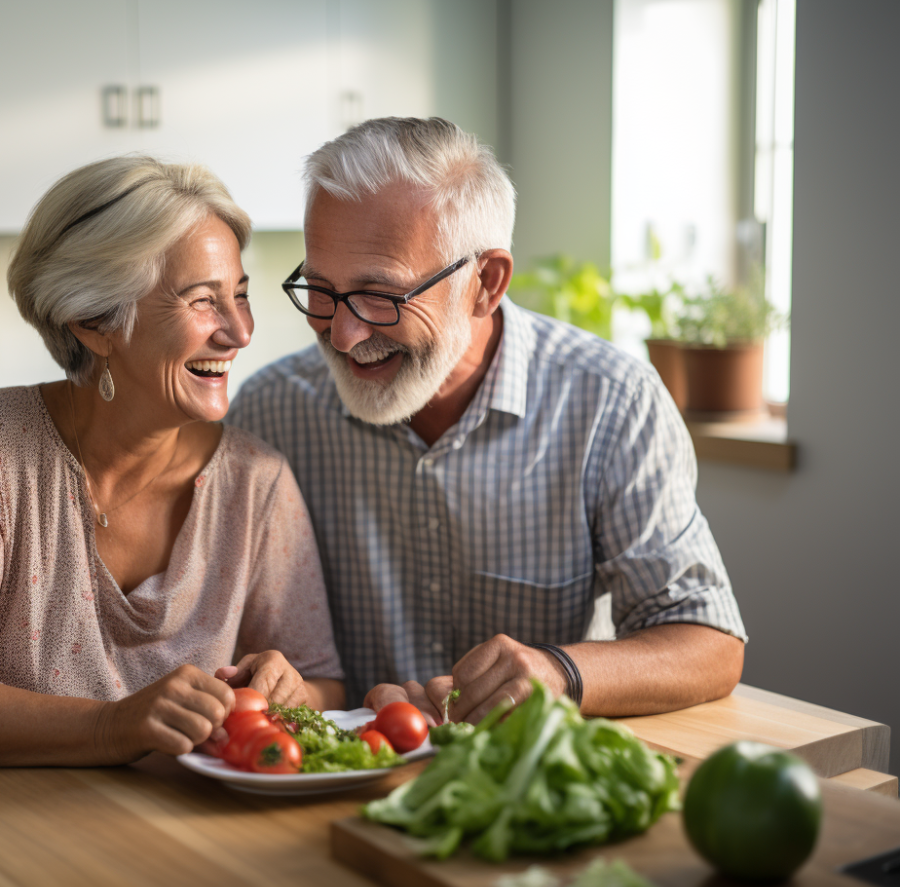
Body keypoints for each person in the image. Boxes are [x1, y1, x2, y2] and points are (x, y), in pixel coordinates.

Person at [0, 157, 344, 887]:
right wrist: (117, 727)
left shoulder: (257, 480)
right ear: (94, 320)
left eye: (242, 296)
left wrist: (288, 690)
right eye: (202, 301)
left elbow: (323, 681)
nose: (240, 330)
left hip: (111, 866)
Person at [225, 117, 746, 725]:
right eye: (319, 288)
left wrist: (560, 673)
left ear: (486, 283)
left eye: (381, 296)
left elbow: (709, 641)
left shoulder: (610, 403)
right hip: (331, 783)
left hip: (522, 790)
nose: (342, 333)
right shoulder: (270, 412)